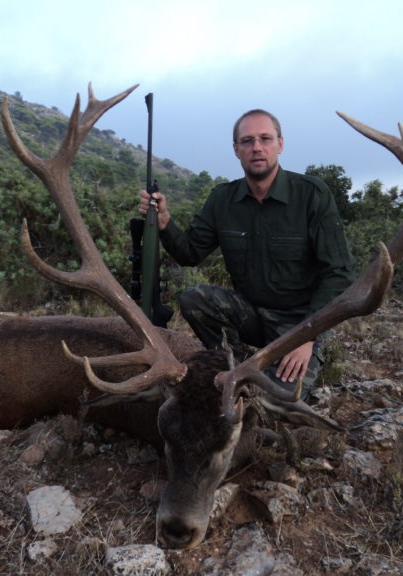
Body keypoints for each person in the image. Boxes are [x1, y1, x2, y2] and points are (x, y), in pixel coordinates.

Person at [138, 109, 356, 398]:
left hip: (298, 324)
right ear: (236, 150)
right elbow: (189, 253)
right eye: (248, 141)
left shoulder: (312, 195)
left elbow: (340, 273)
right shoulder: (223, 199)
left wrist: (307, 337)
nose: (257, 147)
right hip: (250, 315)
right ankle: (234, 367)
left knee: (275, 402)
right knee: (194, 299)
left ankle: (265, 373)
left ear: (280, 144)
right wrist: (164, 223)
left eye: (265, 139)